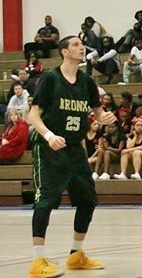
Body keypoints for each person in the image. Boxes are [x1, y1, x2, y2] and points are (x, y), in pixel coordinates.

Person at [26, 35, 117, 278]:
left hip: (75, 147)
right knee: (46, 200)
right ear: (64, 51)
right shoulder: (51, 78)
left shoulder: (86, 81)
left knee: (88, 200)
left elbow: (98, 113)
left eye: (81, 44)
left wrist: (104, 118)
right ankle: (37, 262)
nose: (81, 48)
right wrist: (48, 135)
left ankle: (76, 255)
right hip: (49, 147)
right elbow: (32, 116)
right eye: (76, 44)